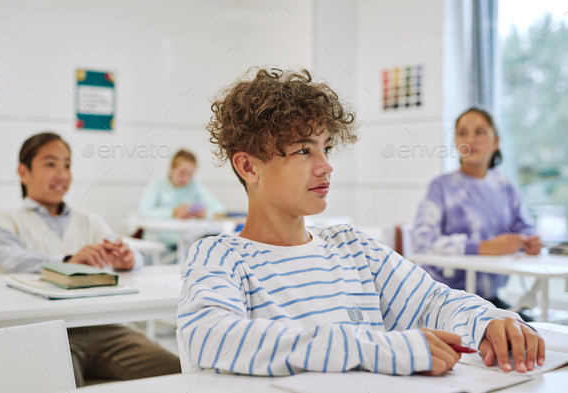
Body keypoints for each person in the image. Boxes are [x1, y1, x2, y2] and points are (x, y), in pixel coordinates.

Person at [176, 68, 545, 376]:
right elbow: (209, 336)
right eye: (304, 150)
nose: (326, 166)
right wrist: (376, 347)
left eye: (326, 148)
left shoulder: (351, 246)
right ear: (248, 166)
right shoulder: (219, 255)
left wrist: (488, 321)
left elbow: (432, 301)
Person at [0, 132, 181, 386]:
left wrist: (128, 260)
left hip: (105, 328)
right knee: (64, 382)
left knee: (180, 373)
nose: (62, 173)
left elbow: (134, 257)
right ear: (23, 172)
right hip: (44, 331)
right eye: (50, 164)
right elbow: (11, 260)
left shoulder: (88, 221)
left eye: (67, 164)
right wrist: (68, 260)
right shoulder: (6, 220)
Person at [411, 108, 542, 312]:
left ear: (496, 142)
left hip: (489, 300)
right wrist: (483, 247)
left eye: (480, 132)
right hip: (443, 300)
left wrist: (529, 241)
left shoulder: (504, 185)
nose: (470, 139)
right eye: (462, 133)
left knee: (531, 333)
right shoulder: (440, 187)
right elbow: (421, 240)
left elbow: (525, 227)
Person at [137, 149, 226, 248]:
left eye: (190, 174)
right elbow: (142, 212)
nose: (186, 179)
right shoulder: (157, 184)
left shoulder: (194, 185)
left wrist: (205, 213)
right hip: (157, 244)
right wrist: (172, 213)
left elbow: (220, 210)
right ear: (172, 168)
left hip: (186, 244)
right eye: (182, 173)